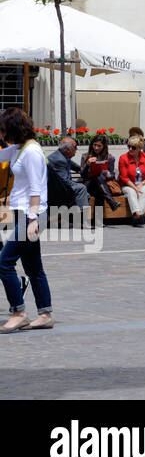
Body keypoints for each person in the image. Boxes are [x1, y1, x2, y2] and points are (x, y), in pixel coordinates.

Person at [0, 109, 54, 332]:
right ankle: (45, 314)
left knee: (4, 262)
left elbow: (36, 189)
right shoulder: (18, 149)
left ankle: (19, 312)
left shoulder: (31, 151)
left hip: (32, 214)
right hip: (25, 214)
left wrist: (33, 220)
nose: (2, 135)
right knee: (34, 268)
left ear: (13, 129)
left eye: (3, 130)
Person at [119, 135, 145, 228]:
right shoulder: (123, 158)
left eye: (133, 147)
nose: (130, 149)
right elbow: (123, 177)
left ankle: (137, 216)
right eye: (129, 146)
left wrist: (141, 184)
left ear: (140, 148)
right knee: (131, 192)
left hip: (143, 183)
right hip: (128, 184)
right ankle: (139, 214)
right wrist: (135, 187)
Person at [81, 133, 121, 213]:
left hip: (101, 186)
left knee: (99, 183)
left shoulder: (109, 158)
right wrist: (88, 164)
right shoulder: (85, 156)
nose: (96, 148)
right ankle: (111, 203)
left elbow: (112, 176)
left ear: (104, 147)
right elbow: (82, 174)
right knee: (98, 180)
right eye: (95, 145)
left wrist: (109, 175)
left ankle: (98, 223)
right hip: (89, 185)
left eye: (99, 146)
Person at [48, 137, 90, 209]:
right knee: (82, 188)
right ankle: (82, 216)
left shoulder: (63, 156)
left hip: (60, 186)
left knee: (86, 195)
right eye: (75, 147)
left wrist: (88, 164)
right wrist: (77, 184)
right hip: (56, 190)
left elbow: (78, 168)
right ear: (68, 150)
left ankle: (74, 214)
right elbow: (64, 181)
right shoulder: (59, 160)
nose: (77, 149)